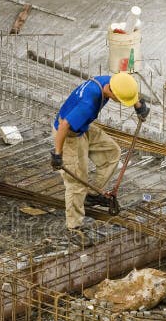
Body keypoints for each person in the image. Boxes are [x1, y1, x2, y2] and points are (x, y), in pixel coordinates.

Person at [50, 72, 149, 244]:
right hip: (68, 135)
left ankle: (92, 195)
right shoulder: (88, 103)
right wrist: (58, 154)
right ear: (112, 93)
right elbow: (64, 125)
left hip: (83, 127)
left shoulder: (108, 81)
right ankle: (73, 228)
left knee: (112, 153)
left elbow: (123, 86)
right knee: (77, 183)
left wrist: (138, 105)